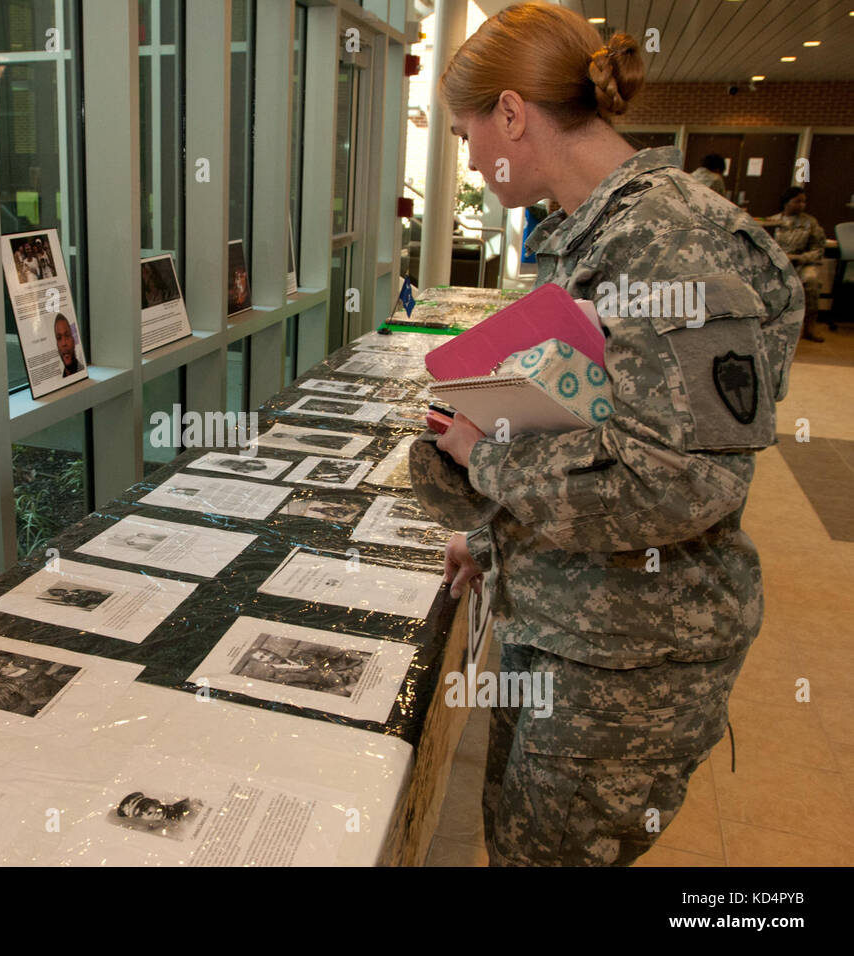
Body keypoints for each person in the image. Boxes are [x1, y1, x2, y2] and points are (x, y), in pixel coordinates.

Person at [409, 2, 802, 867]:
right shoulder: (589, 235)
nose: (469, 156)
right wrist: (491, 528)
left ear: (512, 114)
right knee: (514, 846)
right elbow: (587, 414)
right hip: (563, 618)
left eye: (467, 131)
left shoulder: (670, 243)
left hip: (626, 662)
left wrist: (483, 457)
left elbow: (680, 483)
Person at [772, 186, 827, 342]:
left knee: (811, 280)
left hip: (801, 262)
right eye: (797, 201)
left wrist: (799, 257)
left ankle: (809, 328)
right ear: (786, 203)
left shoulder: (810, 223)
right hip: (777, 263)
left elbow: (818, 250)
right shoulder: (773, 221)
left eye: (804, 201)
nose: (802, 205)